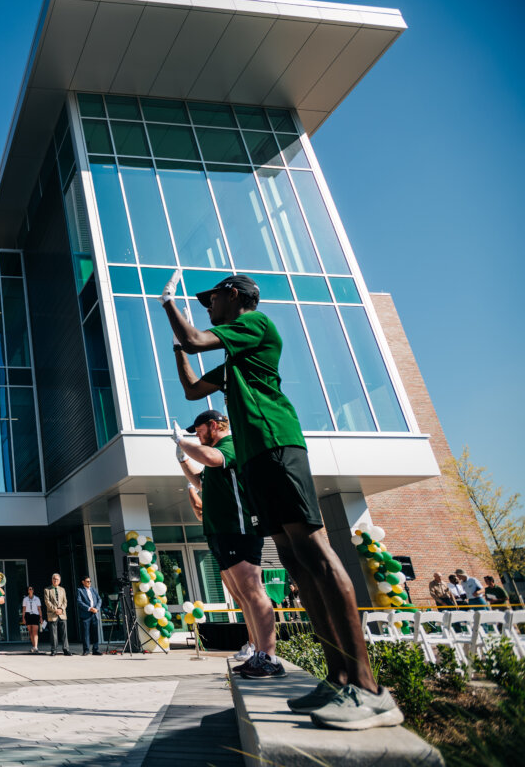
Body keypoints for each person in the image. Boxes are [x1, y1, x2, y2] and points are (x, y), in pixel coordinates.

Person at [164, 273, 399, 729]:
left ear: (234, 295)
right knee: (293, 560)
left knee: (315, 553)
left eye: (211, 299)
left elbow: (194, 339)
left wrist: (169, 304)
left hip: (277, 445)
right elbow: (193, 389)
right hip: (255, 459)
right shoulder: (235, 359)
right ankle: (337, 680)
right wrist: (177, 349)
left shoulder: (256, 325)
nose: (208, 307)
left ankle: (369, 689)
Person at [176, 409, 278, 676]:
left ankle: (269, 657)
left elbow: (210, 458)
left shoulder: (230, 444)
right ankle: (257, 651)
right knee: (241, 596)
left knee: (252, 591)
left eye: (198, 431)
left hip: (238, 528)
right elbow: (201, 482)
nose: (196, 437)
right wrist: (183, 460)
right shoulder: (213, 457)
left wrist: (181, 442)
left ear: (213, 426)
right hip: (220, 532)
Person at [44, 573, 71, 656]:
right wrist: (55, 609)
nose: (55, 580)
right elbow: (47, 601)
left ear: (59, 581)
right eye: (54, 579)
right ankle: (54, 650)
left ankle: (66, 649)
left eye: (57, 579)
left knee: (64, 633)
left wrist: (61, 609)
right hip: (52, 614)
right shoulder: (47, 590)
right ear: (52, 580)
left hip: (62, 614)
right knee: (53, 633)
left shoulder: (62, 589)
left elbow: (65, 601)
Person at [75, 577, 102, 656]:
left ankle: (95, 650)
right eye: (87, 581)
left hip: (94, 614)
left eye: (90, 581)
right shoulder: (80, 590)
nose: (89, 583)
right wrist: (90, 608)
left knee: (95, 633)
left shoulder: (93, 589)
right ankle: (86, 650)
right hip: (86, 614)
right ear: (83, 582)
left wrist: (96, 608)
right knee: (86, 634)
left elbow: (99, 599)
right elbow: (79, 602)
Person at [21, 586, 42, 653]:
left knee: (35, 632)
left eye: (32, 589)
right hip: (28, 615)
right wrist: (23, 618)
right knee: (30, 632)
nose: (31, 590)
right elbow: (24, 609)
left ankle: (36, 647)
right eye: (29, 589)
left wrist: (41, 617)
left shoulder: (37, 598)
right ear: (28, 591)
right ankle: (33, 646)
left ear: (33, 590)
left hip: (35, 615)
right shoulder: (25, 599)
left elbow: (39, 609)